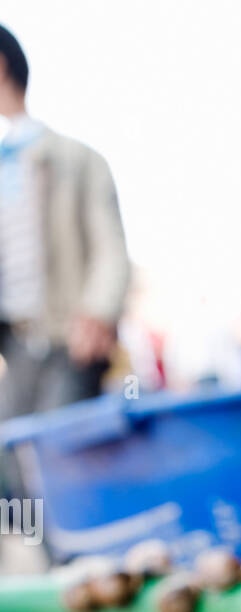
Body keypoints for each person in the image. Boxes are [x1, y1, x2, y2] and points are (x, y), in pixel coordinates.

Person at [0, 24, 130, 422]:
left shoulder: (76, 160)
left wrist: (98, 310)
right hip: (15, 349)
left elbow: (110, 249)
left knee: (58, 450)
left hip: (69, 343)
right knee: (12, 460)